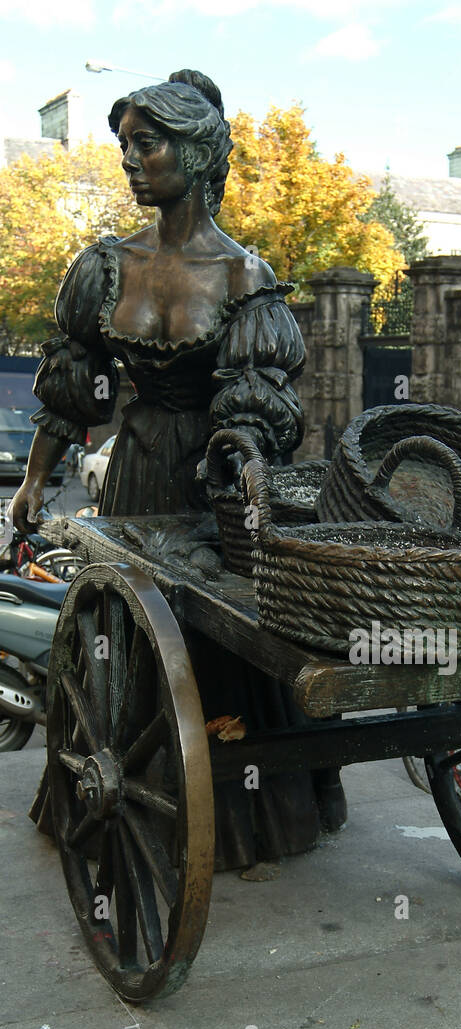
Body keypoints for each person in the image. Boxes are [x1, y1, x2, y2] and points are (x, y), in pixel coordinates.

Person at [11, 69, 345, 867]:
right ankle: (117, 788)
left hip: (213, 486)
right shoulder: (103, 266)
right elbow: (71, 385)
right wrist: (33, 479)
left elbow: (256, 411)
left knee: (220, 642)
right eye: (124, 144)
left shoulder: (243, 278)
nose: (130, 159)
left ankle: (233, 817)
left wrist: (236, 481)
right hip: (132, 476)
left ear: (196, 155)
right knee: (126, 636)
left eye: (147, 144)